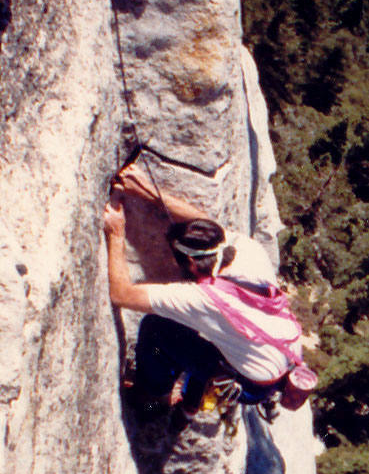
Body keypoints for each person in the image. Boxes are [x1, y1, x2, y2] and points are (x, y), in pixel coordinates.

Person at [103, 164, 298, 416]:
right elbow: (204, 223)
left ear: (192, 264)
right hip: (283, 357)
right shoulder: (249, 251)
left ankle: (152, 399)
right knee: (202, 339)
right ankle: (190, 404)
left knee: (156, 328)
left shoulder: (202, 299)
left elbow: (121, 295)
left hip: (250, 383)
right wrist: (146, 190)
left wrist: (116, 232)